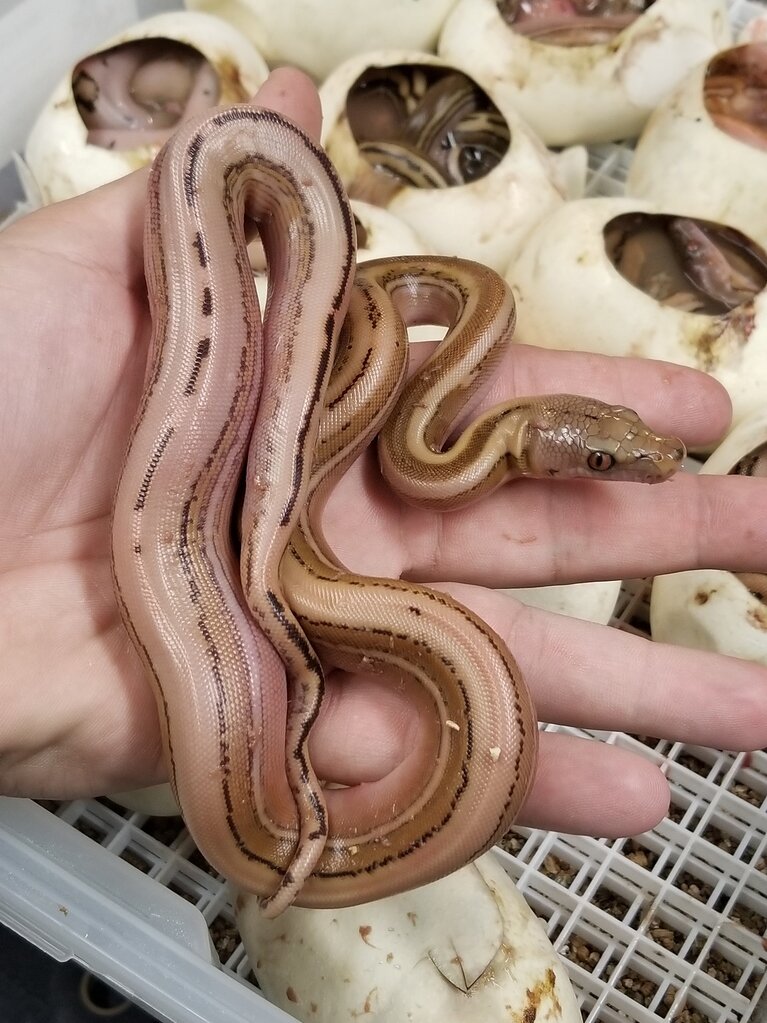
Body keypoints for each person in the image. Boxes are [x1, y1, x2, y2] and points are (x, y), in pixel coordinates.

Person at [0, 68, 764, 841]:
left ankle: (287, 841)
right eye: (604, 460)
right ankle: (279, 845)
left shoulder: (429, 353)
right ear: (536, 445)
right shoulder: (414, 362)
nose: (634, 465)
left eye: (605, 460)